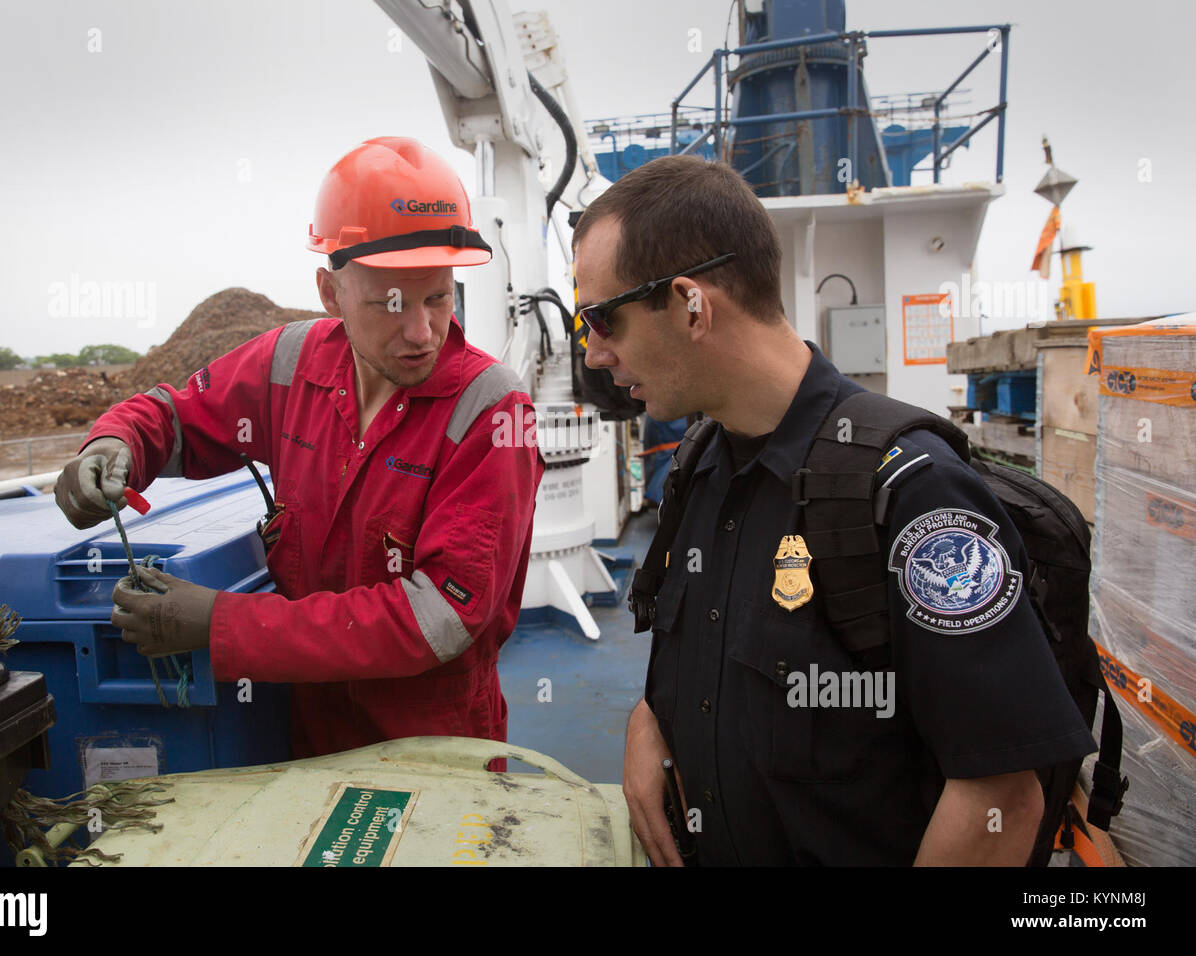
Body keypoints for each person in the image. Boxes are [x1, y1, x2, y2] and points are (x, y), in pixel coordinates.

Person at [572, 154, 1096, 866]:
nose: (595, 352)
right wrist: (647, 723)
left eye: (604, 319)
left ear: (692, 305)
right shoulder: (699, 464)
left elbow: (1000, 797)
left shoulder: (913, 495)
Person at [54, 136, 544, 761]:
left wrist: (220, 623)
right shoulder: (291, 364)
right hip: (306, 738)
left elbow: (436, 620)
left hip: (434, 753)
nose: (421, 332)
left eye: (438, 298)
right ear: (330, 293)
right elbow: (178, 417)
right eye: (391, 304)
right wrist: (113, 442)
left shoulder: (492, 411)